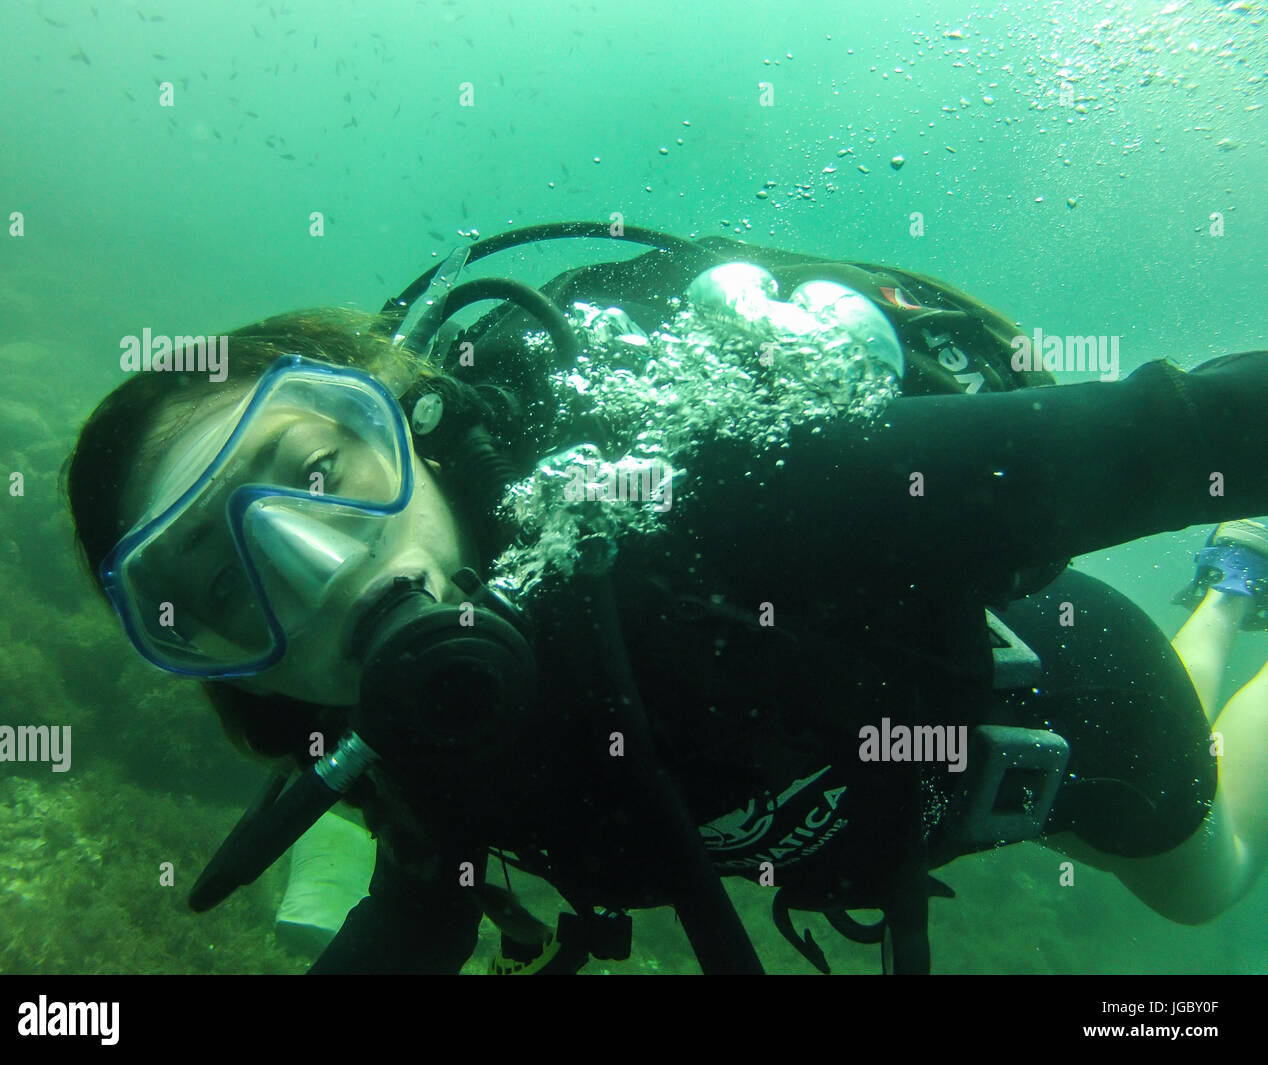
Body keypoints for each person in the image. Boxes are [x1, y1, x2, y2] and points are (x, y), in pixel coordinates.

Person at [64, 222, 1268, 974]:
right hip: (901, 828)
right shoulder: (392, 738)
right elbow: (425, 900)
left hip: (1066, 713)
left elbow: (1172, 434)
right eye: (224, 589)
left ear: (416, 429)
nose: (321, 576)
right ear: (236, 676)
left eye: (323, 474)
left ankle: (1230, 594)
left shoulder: (697, 492)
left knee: (1204, 886)